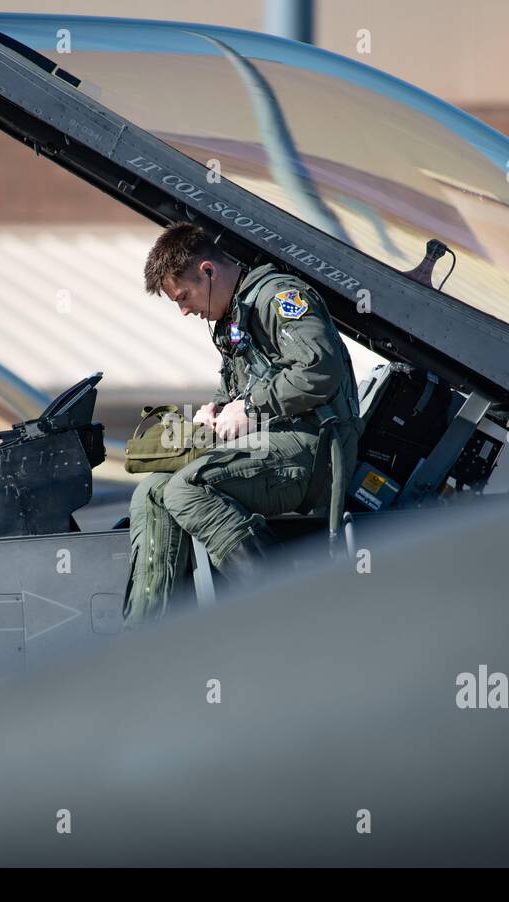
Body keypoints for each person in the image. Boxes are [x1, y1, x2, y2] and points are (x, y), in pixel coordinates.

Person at [122, 222, 361, 629]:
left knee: (188, 488)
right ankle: (146, 633)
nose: (184, 310)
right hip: (278, 444)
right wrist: (216, 411)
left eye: (184, 296)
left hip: (317, 449)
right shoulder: (237, 318)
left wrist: (250, 407)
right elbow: (238, 387)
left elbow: (321, 369)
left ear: (208, 271)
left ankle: (281, 610)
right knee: (153, 491)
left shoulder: (276, 297)